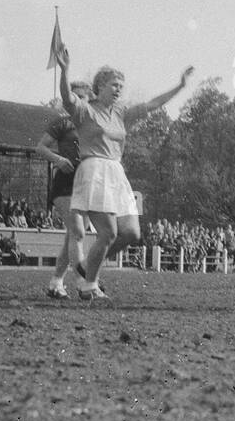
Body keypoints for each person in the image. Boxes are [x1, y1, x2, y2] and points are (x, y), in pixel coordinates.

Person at [58, 45, 194, 301]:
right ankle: (90, 284)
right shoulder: (86, 110)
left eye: (121, 84)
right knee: (108, 233)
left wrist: (180, 86)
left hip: (116, 172)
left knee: (132, 232)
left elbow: (154, 104)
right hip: (94, 169)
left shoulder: (121, 113)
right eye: (114, 84)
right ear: (99, 86)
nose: (119, 88)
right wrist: (65, 70)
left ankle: (86, 267)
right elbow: (67, 98)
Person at [35, 80, 94, 300]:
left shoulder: (95, 125)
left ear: (89, 100)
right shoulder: (63, 124)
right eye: (74, 96)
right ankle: (84, 282)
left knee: (73, 236)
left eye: (82, 97)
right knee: (78, 232)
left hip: (86, 184)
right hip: (65, 183)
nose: (77, 100)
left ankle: (56, 283)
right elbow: (40, 147)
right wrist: (58, 159)